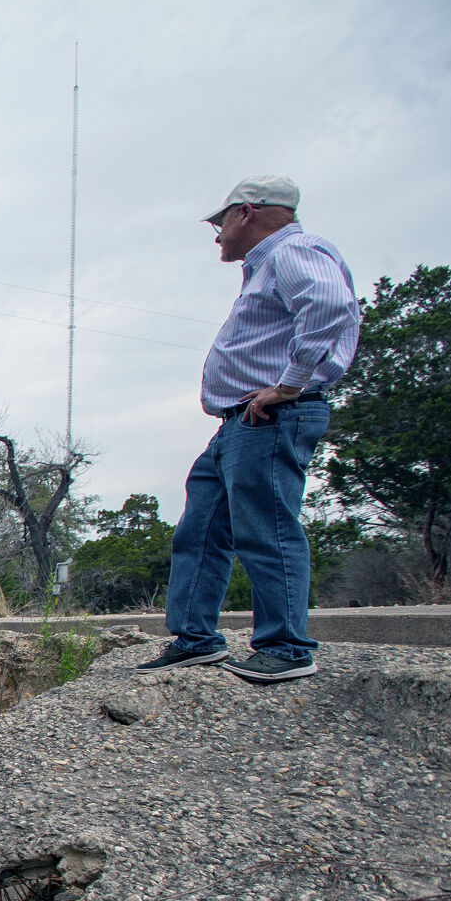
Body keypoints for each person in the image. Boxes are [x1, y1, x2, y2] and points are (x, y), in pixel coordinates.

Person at [138, 174, 360, 683]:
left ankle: (286, 647)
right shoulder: (266, 267)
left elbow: (329, 306)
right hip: (238, 421)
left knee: (266, 525)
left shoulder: (293, 251)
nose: (216, 234)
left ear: (247, 212)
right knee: (200, 527)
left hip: (271, 415)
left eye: (220, 221)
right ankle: (195, 638)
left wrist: (288, 385)